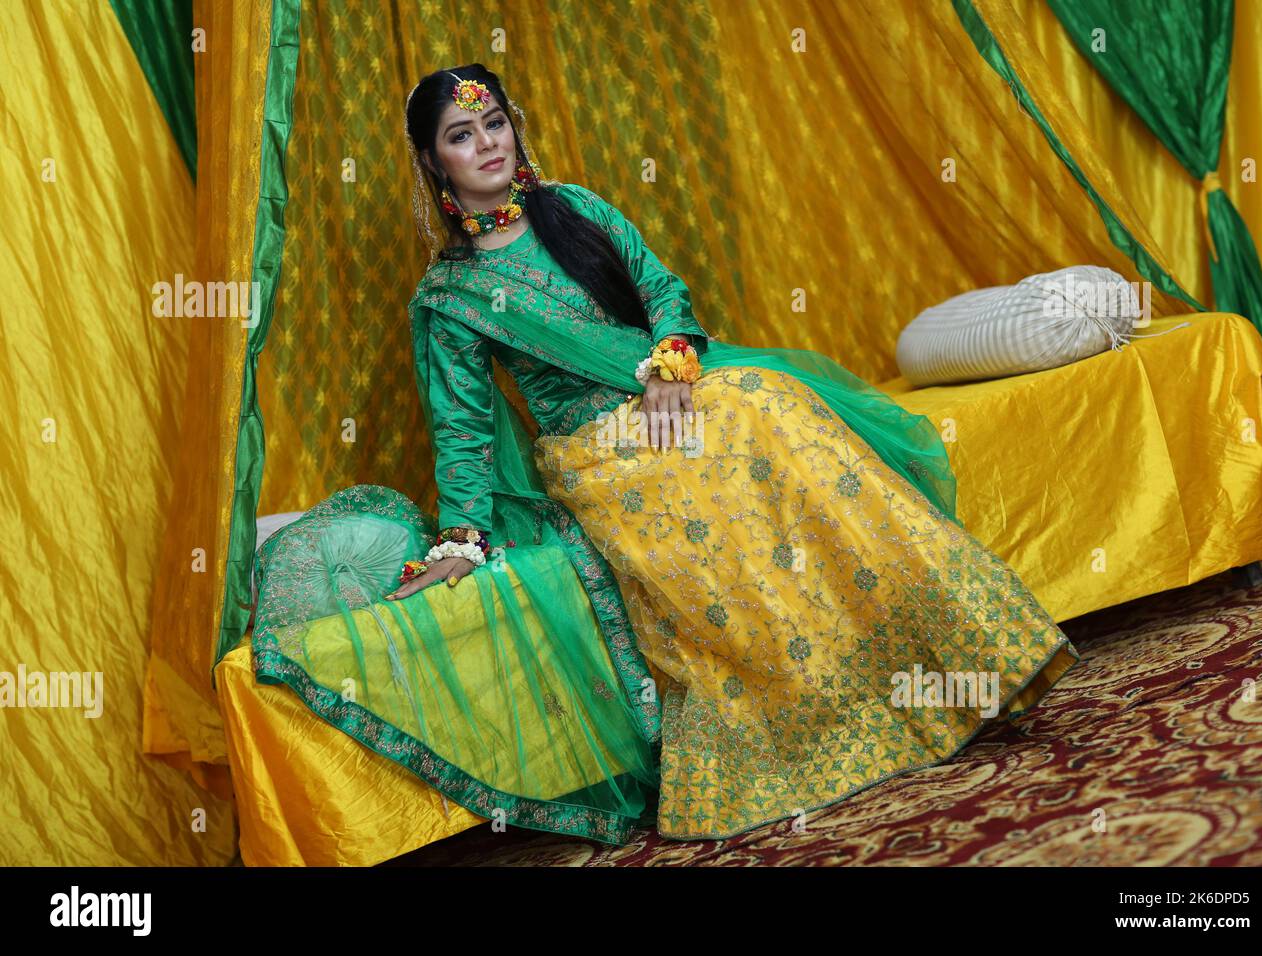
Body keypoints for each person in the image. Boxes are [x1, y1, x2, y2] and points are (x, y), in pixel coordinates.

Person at [250, 63, 1079, 845]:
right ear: (433, 162)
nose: (488, 144)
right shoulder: (450, 296)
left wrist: (673, 363)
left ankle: (944, 660)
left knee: (770, 402)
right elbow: (463, 432)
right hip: (594, 450)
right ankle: (805, 725)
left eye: (495, 122)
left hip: (671, 387)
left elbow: (662, 291)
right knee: (706, 470)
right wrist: (462, 539)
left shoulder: (575, 209)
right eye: (463, 136)